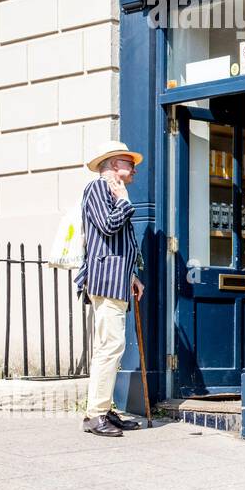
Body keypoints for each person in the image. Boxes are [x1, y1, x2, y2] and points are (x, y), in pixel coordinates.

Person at [77, 140, 146, 437]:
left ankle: (102, 409)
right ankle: (95, 415)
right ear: (112, 165)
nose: (133, 169)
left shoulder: (114, 192)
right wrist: (124, 202)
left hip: (118, 278)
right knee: (111, 346)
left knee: (110, 346)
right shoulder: (98, 189)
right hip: (105, 279)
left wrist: (132, 274)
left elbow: (120, 242)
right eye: (128, 163)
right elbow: (107, 226)